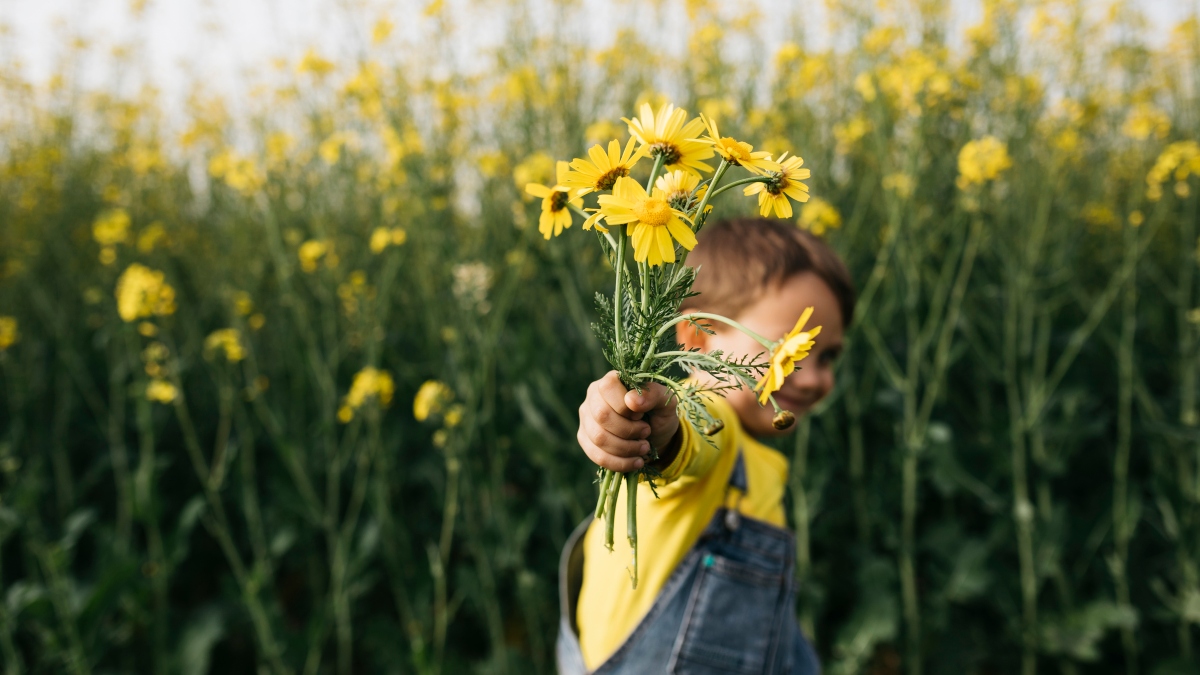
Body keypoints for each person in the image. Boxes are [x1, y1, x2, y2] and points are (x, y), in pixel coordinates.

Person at [556, 217, 856, 674]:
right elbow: (692, 438)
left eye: (827, 355)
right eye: (788, 351)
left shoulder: (759, 459)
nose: (814, 376)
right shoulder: (710, 415)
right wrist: (658, 431)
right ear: (698, 336)